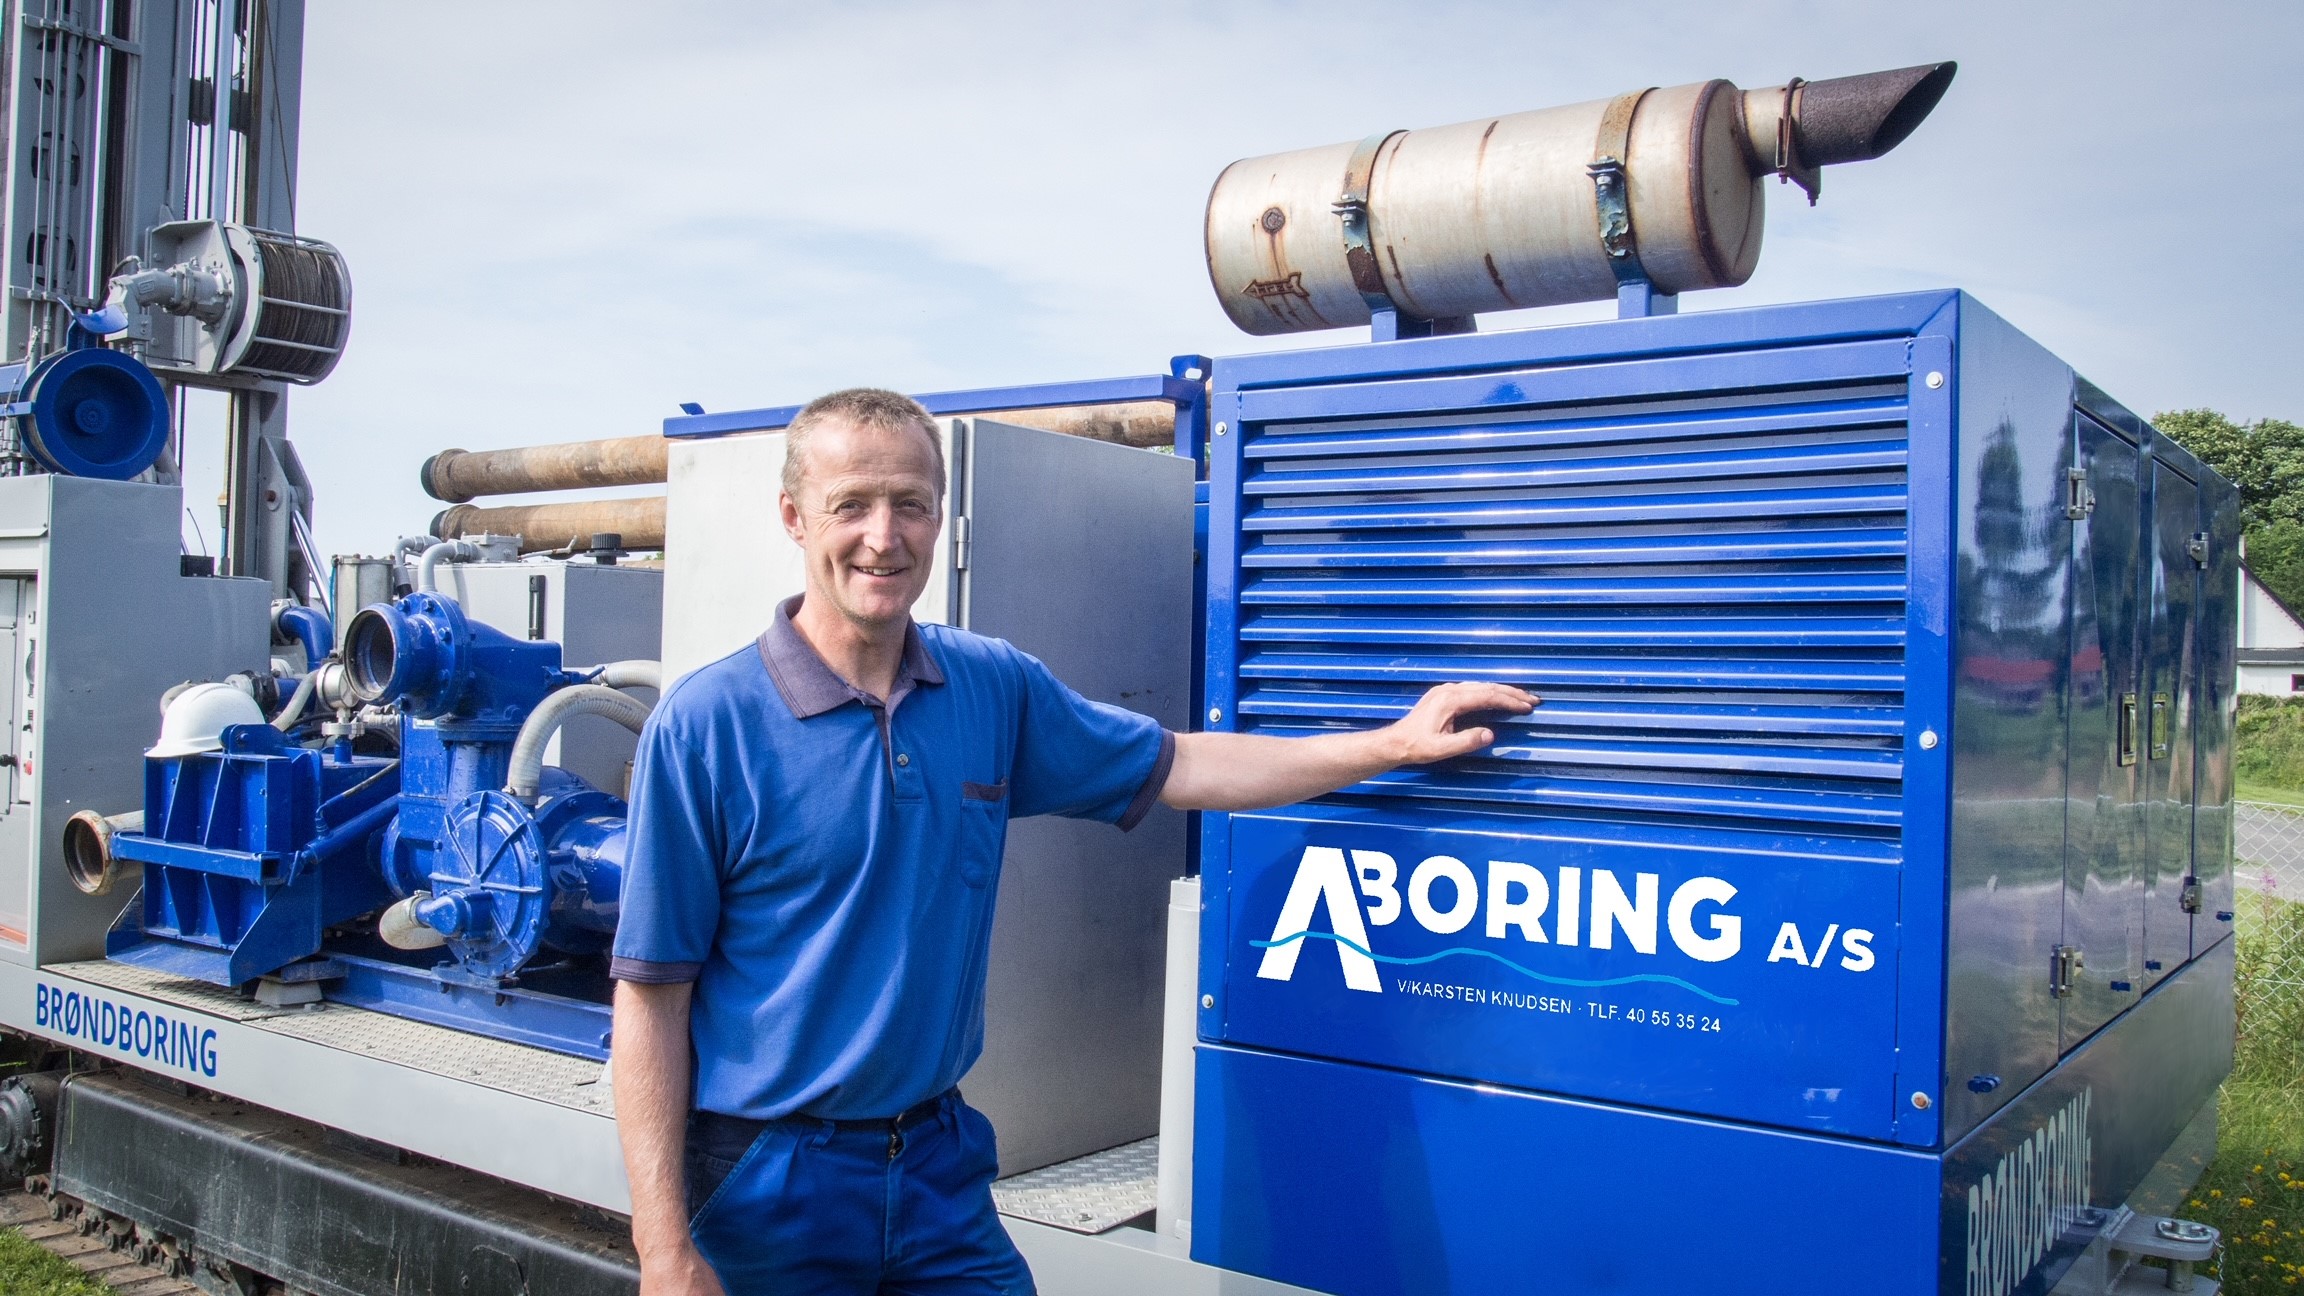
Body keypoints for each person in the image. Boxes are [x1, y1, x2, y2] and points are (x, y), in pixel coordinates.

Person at [610, 388, 1536, 1296]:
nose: (883, 537)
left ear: (943, 516)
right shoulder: (708, 727)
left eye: (911, 506)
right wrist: (663, 1252)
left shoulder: (988, 688)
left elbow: (1181, 765)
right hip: (771, 1179)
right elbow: (652, 998)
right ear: (794, 517)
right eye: (850, 506)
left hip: (935, 1163)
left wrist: (1391, 746)